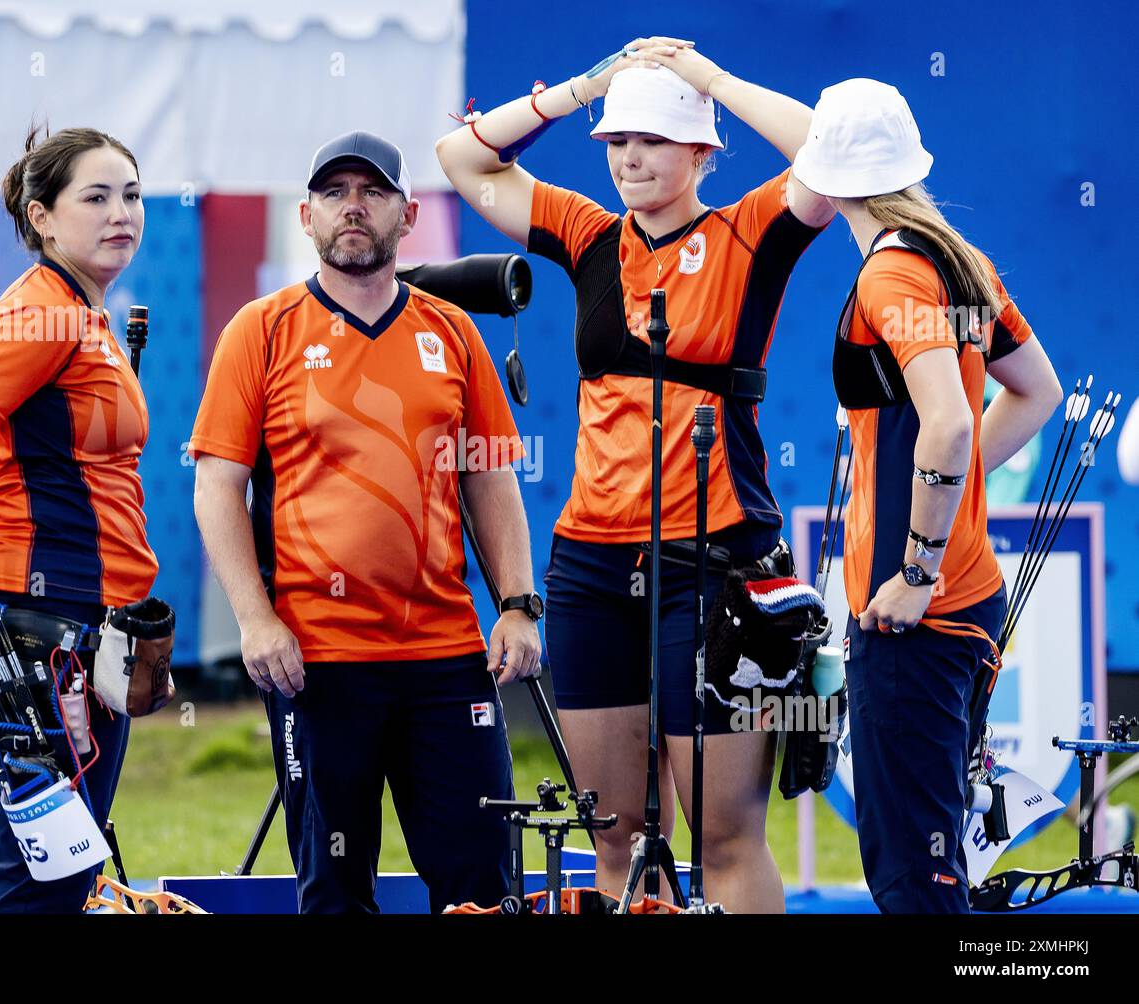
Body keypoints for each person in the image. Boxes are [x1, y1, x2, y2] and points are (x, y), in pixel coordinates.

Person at [435, 39, 834, 909]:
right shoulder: (587, 235)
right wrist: (583, 87)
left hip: (715, 559)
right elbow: (462, 158)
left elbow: (831, 147)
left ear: (702, 154)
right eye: (618, 141)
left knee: (723, 834)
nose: (629, 158)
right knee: (613, 834)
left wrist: (713, 81)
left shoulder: (750, 231)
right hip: (590, 564)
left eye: (653, 141)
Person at [190, 131, 541, 914]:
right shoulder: (262, 329)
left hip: (447, 658)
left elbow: (490, 475)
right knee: (336, 888)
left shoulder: (452, 331)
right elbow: (217, 488)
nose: (354, 208)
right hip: (314, 659)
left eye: (374, 192)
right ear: (308, 217)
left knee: (482, 883)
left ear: (408, 215)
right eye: (335, 194)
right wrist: (255, 621)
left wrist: (517, 606)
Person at [790, 78, 1062, 912]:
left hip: (916, 620)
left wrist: (916, 567)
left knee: (917, 880)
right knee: (935, 866)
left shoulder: (893, 276)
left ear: (830, 184)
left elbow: (946, 424)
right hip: (960, 613)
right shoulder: (958, 260)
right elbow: (1035, 392)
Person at [0, 126, 157, 912]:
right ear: (42, 217)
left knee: (66, 865)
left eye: (132, 194)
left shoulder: (82, 312)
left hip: (91, 617)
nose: (122, 214)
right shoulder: (43, 312)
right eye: (96, 197)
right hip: (52, 622)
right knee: (44, 875)